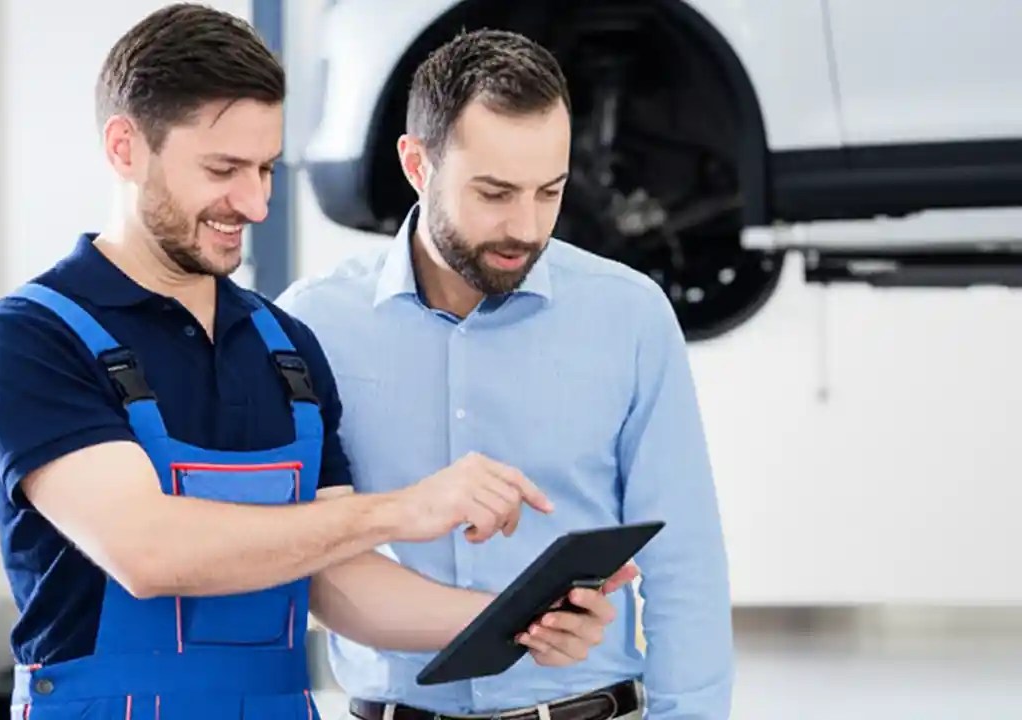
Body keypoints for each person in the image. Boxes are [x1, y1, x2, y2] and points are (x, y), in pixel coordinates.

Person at [0, 7, 631, 720]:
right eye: (223, 169)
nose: (254, 203)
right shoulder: (30, 338)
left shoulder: (285, 348)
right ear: (126, 147)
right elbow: (149, 551)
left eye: (266, 169)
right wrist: (404, 510)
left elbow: (338, 582)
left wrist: (518, 616)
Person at [277, 28, 735, 720]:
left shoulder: (629, 315)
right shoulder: (312, 325)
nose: (525, 227)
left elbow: (684, 561)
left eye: (547, 192)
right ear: (416, 165)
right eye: (493, 193)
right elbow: (295, 548)